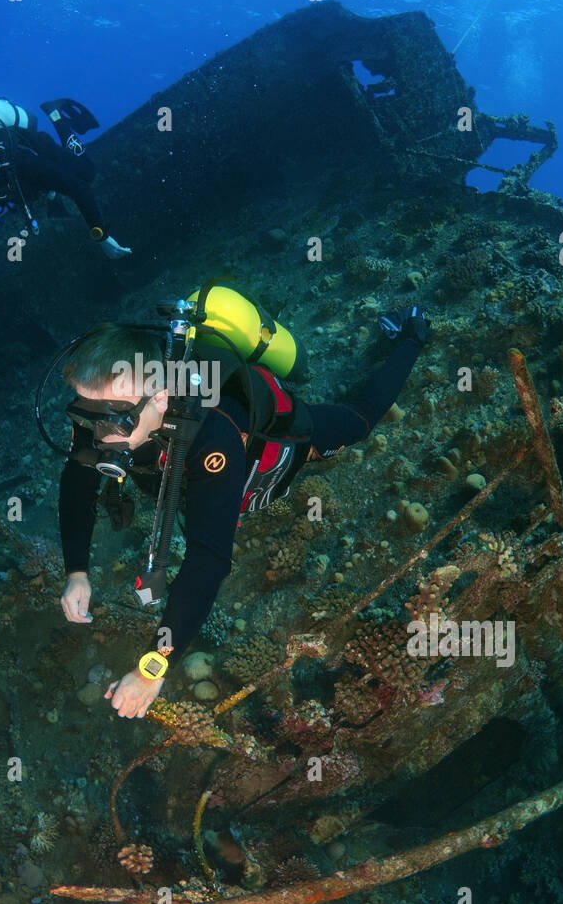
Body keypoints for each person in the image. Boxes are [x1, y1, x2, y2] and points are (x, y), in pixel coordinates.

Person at [58, 305, 431, 717]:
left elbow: (209, 559)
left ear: (160, 398)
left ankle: (413, 334)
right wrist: (77, 572)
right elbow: (77, 482)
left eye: (115, 419)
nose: (99, 435)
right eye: (85, 415)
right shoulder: (101, 411)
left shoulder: (211, 436)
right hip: (186, 475)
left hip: (278, 453)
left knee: (360, 419)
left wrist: (153, 668)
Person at [0, 96, 132, 257]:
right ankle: (49, 187)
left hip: (38, 146)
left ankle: (54, 113)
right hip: (22, 171)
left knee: (88, 172)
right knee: (45, 183)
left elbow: (79, 188)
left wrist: (101, 234)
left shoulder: (21, 162)